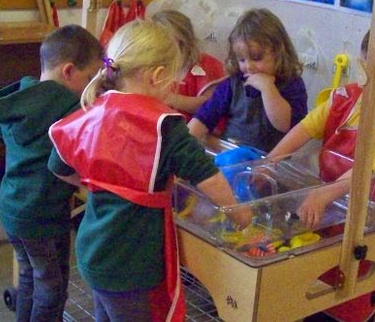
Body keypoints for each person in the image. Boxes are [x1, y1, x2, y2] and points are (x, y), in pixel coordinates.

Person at [48, 19, 251, 322]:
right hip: (130, 262)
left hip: (92, 248)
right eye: (172, 80)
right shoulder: (165, 126)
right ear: (157, 76)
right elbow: (207, 176)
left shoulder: (93, 110)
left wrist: (100, 183)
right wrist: (239, 213)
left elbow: (58, 165)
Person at [268, 15, 375, 322]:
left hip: (371, 217)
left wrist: (322, 195)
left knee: (354, 287)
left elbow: (366, 169)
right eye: (366, 70)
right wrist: (268, 163)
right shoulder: (345, 96)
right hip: (331, 204)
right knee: (318, 280)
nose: (370, 82)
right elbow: (305, 128)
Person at [0, 25, 103, 322]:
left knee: (29, 278)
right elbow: (68, 157)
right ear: (68, 71)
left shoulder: (23, 94)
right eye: (90, 78)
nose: (93, 87)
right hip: (42, 215)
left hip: (11, 208)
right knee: (52, 291)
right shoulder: (68, 109)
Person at [188, 8, 308, 154]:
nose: (249, 66)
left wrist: (268, 89)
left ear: (278, 52)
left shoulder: (292, 85)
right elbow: (203, 118)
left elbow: (285, 125)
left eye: (257, 58)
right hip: (229, 155)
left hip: (269, 164)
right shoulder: (233, 83)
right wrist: (182, 148)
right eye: (242, 59)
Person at [151, 9, 225, 117]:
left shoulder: (205, 66)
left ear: (186, 43)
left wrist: (172, 99)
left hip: (196, 125)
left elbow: (210, 105)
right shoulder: (153, 63)